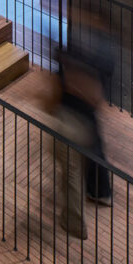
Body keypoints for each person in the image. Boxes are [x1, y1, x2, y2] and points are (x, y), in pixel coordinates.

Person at [46, 22, 114, 239]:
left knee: (70, 172)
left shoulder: (65, 73)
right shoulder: (87, 69)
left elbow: (52, 100)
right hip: (84, 125)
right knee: (75, 167)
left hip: (70, 127)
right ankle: (99, 193)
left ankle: (74, 222)